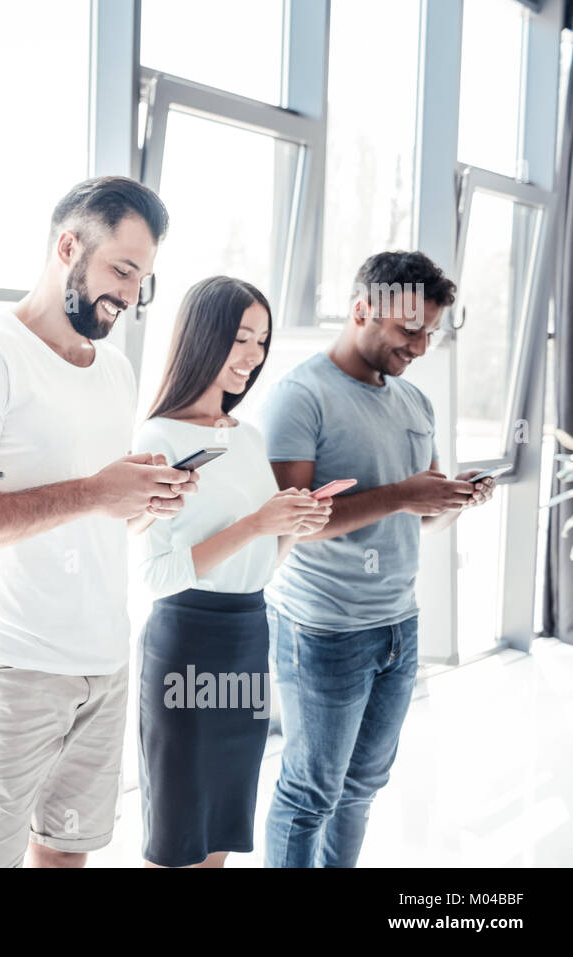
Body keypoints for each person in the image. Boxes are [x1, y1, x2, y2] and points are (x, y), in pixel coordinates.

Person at [0, 176, 196, 868]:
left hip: (105, 661)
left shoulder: (116, 368)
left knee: (67, 856)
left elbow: (99, 512)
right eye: (122, 269)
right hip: (15, 672)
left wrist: (142, 498)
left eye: (144, 279)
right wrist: (95, 492)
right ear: (67, 245)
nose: (131, 294)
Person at [260, 250, 497, 867]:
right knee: (310, 792)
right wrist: (402, 495)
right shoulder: (301, 396)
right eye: (409, 330)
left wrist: (454, 499)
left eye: (430, 334)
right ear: (362, 309)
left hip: (398, 625)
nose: (419, 347)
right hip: (323, 629)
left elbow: (424, 515)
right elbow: (292, 526)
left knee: (361, 788)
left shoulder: (415, 403)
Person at [132, 276, 331, 868]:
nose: (253, 356)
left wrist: (292, 527)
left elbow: (260, 565)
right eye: (241, 338)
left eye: (262, 341)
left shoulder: (248, 437)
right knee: (177, 837)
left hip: (249, 633)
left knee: (222, 825)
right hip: (187, 640)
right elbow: (157, 577)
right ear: (202, 337)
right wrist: (256, 522)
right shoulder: (159, 438)